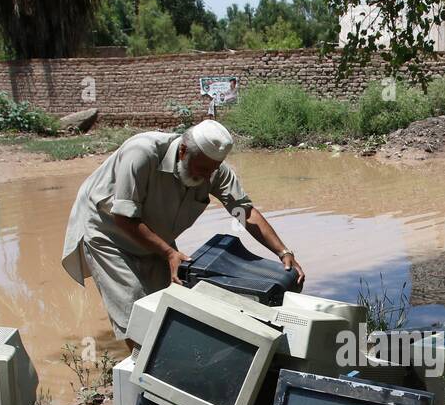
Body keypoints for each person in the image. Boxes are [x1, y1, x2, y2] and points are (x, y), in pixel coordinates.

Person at [61, 119, 304, 349]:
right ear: (183, 151)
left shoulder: (212, 168)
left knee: (166, 303)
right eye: (202, 169)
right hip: (109, 231)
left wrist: (283, 251)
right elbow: (124, 217)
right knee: (135, 307)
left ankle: (166, 365)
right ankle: (140, 379)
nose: (207, 177)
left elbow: (244, 214)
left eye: (213, 170)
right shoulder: (142, 153)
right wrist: (168, 252)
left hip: (154, 234)